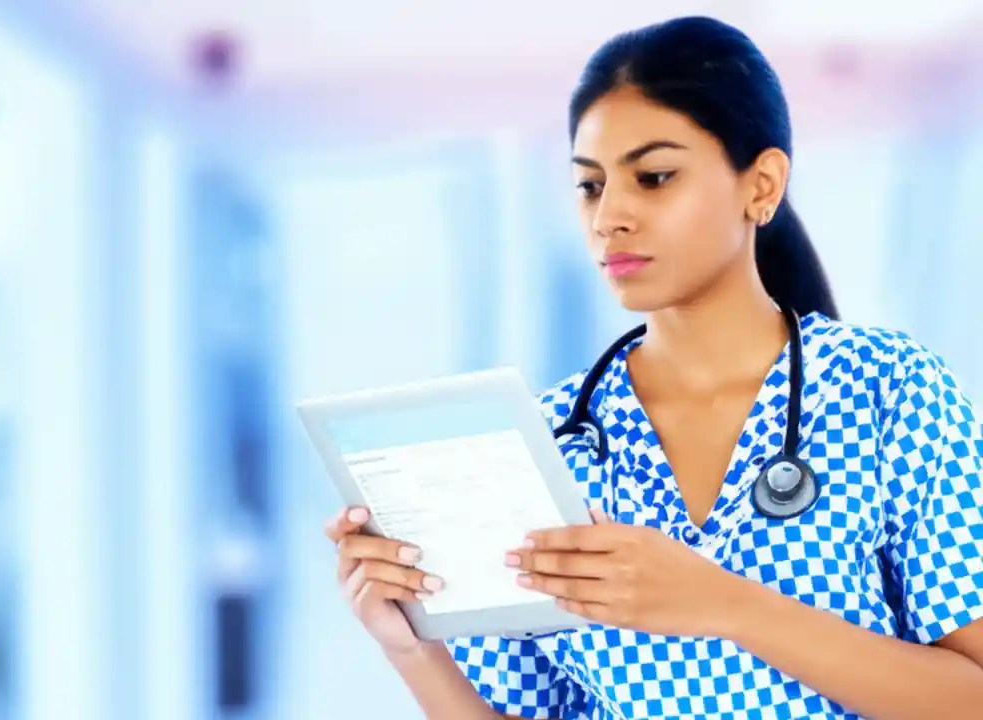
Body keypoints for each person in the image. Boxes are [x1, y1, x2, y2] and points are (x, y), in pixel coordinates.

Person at [323, 15, 983, 719]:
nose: (610, 217)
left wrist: (722, 603)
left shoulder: (889, 391)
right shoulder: (546, 440)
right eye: (590, 186)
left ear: (761, 186)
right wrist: (409, 647)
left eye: (655, 176)